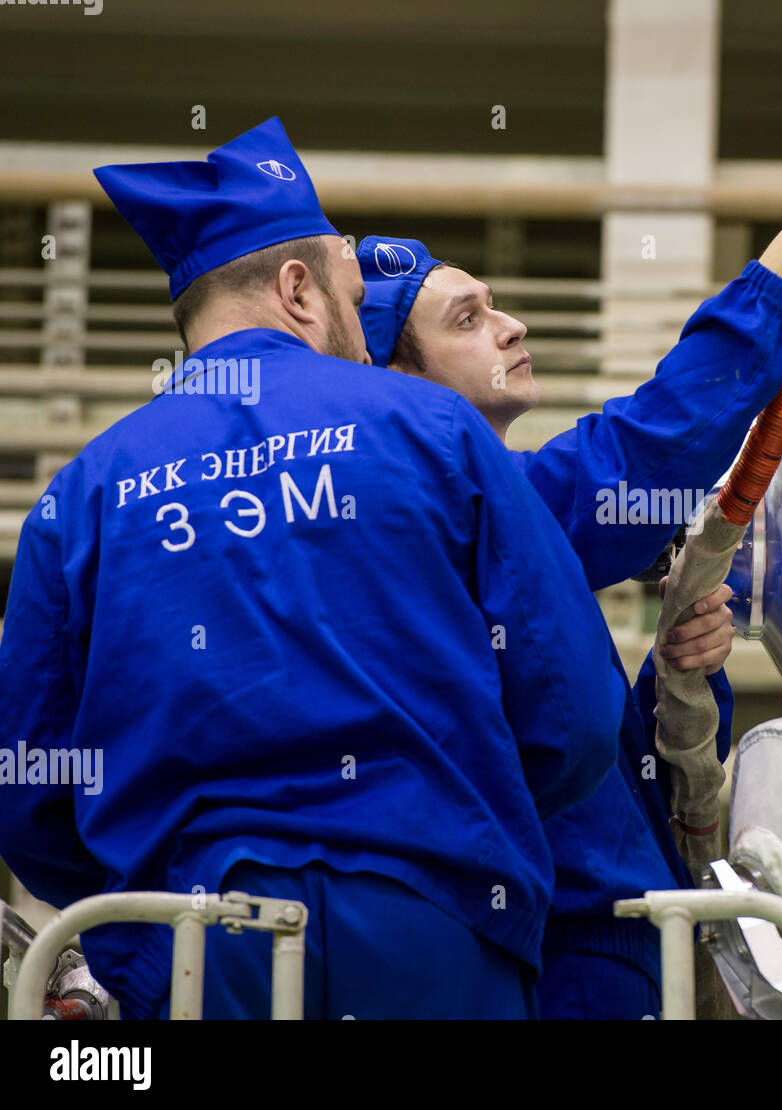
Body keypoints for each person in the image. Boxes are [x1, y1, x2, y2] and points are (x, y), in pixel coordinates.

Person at [0, 118, 625, 1020]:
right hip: (433, 929)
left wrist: (132, 919)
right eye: (346, 277)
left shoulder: (82, 493)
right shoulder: (433, 427)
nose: (366, 334)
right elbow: (572, 711)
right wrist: (464, 811)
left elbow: (30, 788)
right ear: (297, 289)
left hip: (186, 946)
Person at [354, 158, 782, 1017]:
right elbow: (646, 451)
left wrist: (678, 673)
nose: (512, 325)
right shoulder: (455, 519)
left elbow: (596, 768)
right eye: (470, 318)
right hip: (564, 959)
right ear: (400, 385)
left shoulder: (491, 525)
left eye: (493, 303)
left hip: (618, 944)